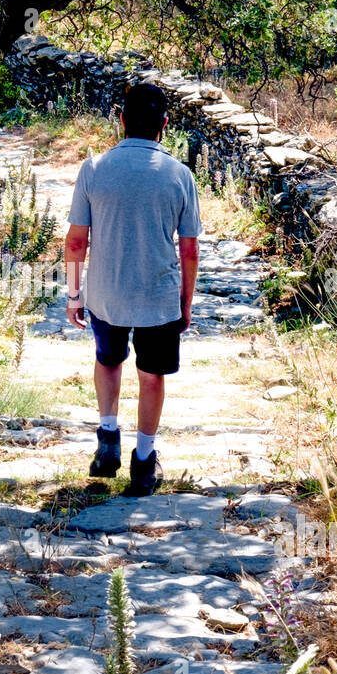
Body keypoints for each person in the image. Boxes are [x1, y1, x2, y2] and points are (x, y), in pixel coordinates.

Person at [64, 81, 202, 496]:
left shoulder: (94, 169)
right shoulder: (180, 175)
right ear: (164, 125)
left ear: (121, 120)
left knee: (108, 361)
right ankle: (144, 461)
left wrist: (74, 294)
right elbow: (190, 248)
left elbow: (75, 241)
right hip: (158, 297)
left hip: (106, 293)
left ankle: (108, 437)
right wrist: (185, 302)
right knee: (152, 375)